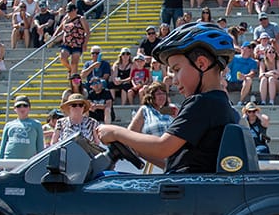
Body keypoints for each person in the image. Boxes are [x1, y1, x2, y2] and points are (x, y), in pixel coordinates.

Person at [97, 24, 238, 173]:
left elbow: (162, 147)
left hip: (185, 187)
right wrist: (138, 149)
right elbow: (177, 162)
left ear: (201, 64)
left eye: (177, 70)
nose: (174, 80)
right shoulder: (221, 104)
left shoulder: (202, 103)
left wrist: (115, 132)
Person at [0, 95, 44, 160]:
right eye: (18, 106)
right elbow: (3, 145)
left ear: (29, 108)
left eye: (25, 106)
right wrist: (0, 160)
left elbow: (40, 146)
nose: (22, 108)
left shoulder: (36, 124)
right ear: (14, 109)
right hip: (9, 159)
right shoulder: (9, 125)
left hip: (28, 161)